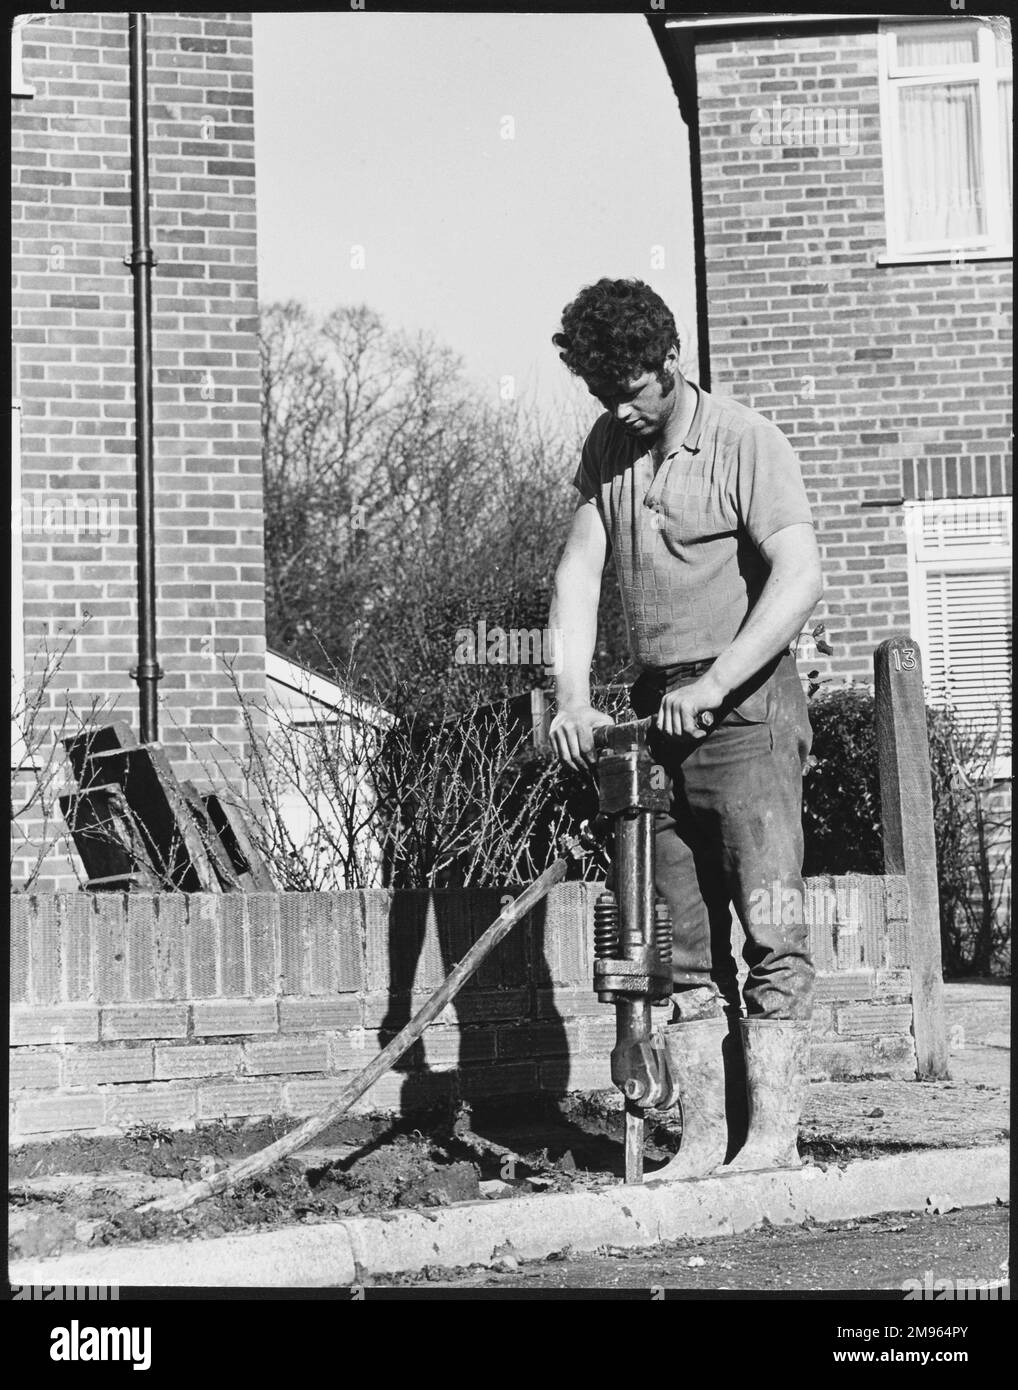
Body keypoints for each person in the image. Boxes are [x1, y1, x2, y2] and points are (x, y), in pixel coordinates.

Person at [548, 278, 823, 1178]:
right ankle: (704, 1140)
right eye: (602, 394)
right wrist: (572, 696)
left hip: (748, 709)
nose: (620, 409)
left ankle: (773, 1142)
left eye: (631, 389)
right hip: (661, 717)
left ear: (672, 364)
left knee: (772, 929)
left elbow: (799, 579)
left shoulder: (746, 442)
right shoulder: (606, 450)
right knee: (684, 949)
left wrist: (716, 682)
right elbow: (580, 573)